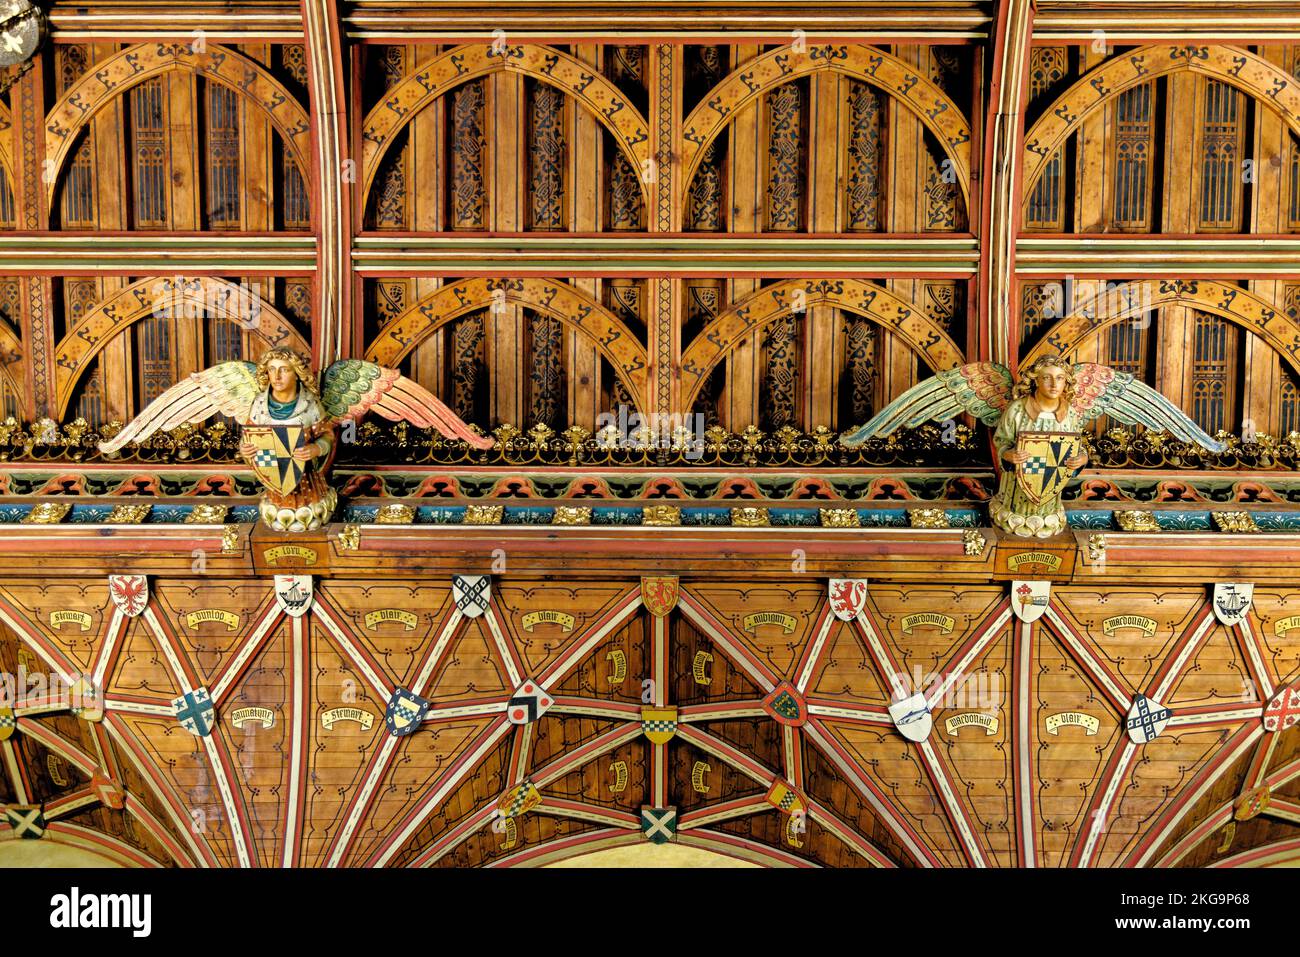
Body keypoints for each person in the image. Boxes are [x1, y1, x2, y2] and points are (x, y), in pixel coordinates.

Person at [987, 355, 1089, 538]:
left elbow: (1076, 445)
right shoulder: (1017, 410)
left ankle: (1047, 517)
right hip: (1016, 489)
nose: (1054, 384)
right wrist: (1008, 454)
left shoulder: (1070, 414)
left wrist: (1082, 458)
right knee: (1014, 510)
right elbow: (1001, 441)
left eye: (1059, 378)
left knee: (1047, 502)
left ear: (1066, 381)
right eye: (1046, 377)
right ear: (1036, 380)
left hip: (1051, 494)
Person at [238, 348, 338, 532]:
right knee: (275, 513)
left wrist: (316, 448)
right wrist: (245, 449)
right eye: (271, 369)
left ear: (297, 374)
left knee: (312, 514)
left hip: (306, 478)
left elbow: (328, 435)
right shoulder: (259, 404)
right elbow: (248, 438)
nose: (276, 376)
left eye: (284, 369)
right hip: (274, 477)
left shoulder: (311, 404)